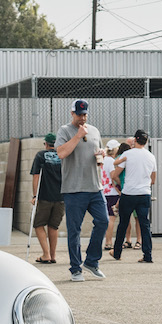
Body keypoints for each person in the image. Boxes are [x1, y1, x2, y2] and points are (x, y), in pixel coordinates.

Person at [56, 100, 107, 281]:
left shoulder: (94, 131)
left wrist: (102, 153)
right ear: (72, 113)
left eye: (85, 114)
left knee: (103, 221)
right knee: (74, 230)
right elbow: (61, 153)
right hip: (74, 189)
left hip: (95, 187)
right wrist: (77, 136)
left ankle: (91, 262)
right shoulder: (64, 131)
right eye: (79, 114)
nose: (82, 118)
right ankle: (76, 269)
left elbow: (98, 150)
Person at [111, 130, 157, 264]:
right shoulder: (151, 156)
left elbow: (116, 172)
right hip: (144, 194)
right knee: (144, 225)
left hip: (129, 193)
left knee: (123, 223)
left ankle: (117, 253)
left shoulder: (127, 154)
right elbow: (153, 180)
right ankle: (147, 255)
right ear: (146, 142)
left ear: (135, 140)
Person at [28, 132, 65, 264]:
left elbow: (36, 176)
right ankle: (52, 255)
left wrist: (35, 195)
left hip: (44, 197)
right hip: (61, 197)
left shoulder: (40, 155)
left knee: (38, 224)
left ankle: (46, 254)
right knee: (53, 226)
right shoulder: (63, 155)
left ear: (46, 144)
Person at [100, 139, 121, 250]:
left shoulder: (103, 160)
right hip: (112, 192)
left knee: (107, 217)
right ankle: (108, 242)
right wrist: (120, 186)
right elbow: (114, 176)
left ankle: (107, 241)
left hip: (103, 191)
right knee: (111, 218)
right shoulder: (112, 161)